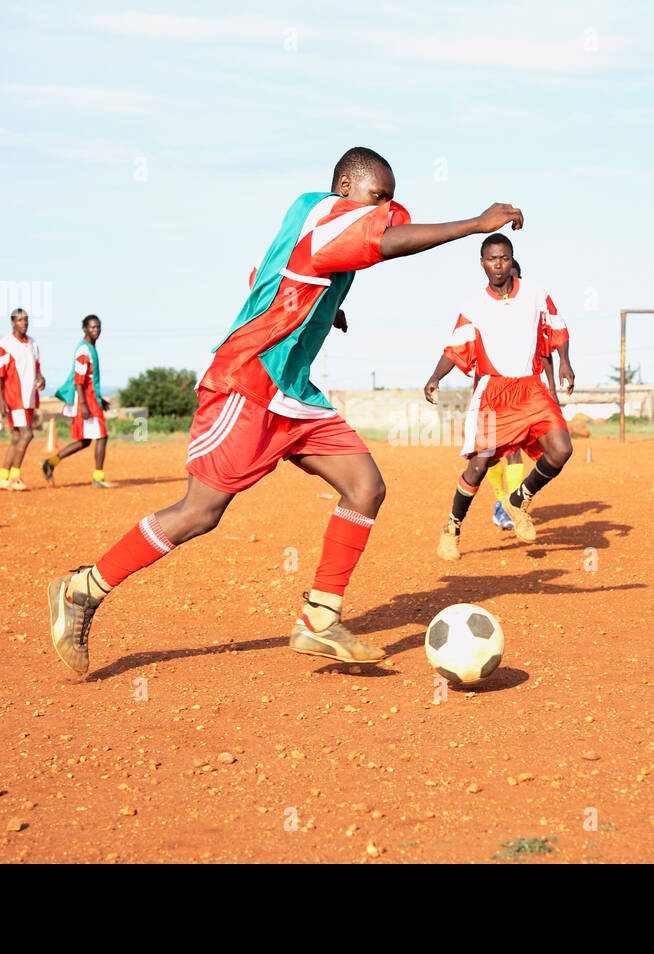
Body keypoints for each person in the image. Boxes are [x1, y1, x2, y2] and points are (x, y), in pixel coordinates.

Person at [45, 146, 523, 675]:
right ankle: (82, 588)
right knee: (200, 513)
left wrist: (322, 306)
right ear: (345, 186)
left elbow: (270, 270)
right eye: (377, 196)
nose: (385, 206)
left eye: (389, 198)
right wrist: (475, 224)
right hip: (249, 381)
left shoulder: (312, 215)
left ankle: (320, 618)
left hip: (292, 392)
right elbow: (385, 243)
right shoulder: (330, 217)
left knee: (366, 486)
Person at [425, 233, 572, 561]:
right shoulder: (473, 306)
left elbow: (557, 327)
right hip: (494, 393)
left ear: (512, 259)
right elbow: (455, 347)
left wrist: (565, 363)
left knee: (561, 449)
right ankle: (453, 527)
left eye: (504, 258)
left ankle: (518, 499)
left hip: (532, 388)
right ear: (482, 263)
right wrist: (436, 377)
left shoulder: (535, 293)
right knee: (479, 465)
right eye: (492, 259)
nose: (499, 265)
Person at [488, 258, 572, 529]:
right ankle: (500, 498)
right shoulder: (485, 307)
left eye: (512, 279)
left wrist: (553, 388)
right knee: (488, 451)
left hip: (525, 391)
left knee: (514, 449)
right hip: (491, 387)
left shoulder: (531, 311)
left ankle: (508, 504)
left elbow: (544, 351)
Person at [44, 314, 118, 488]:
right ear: (84, 329)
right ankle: (98, 478)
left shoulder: (91, 347)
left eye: (98, 327)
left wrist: (101, 399)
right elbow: (79, 380)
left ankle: (51, 462)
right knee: (102, 436)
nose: (96, 330)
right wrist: (84, 405)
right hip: (86, 400)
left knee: (85, 441)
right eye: (92, 327)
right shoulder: (83, 349)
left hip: (93, 398)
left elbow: (91, 379)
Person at [0, 308, 44, 490]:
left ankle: (2, 476)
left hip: (29, 397)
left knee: (16, 437)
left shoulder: (33, 343)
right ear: (12, 323)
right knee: (27, 434)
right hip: (15, 397)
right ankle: (15, 477)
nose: (24, 323)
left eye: (26, 320)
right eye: (20, 320)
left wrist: (40, 377)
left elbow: (36, 367)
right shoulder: (6, 345)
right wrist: (1, 399)